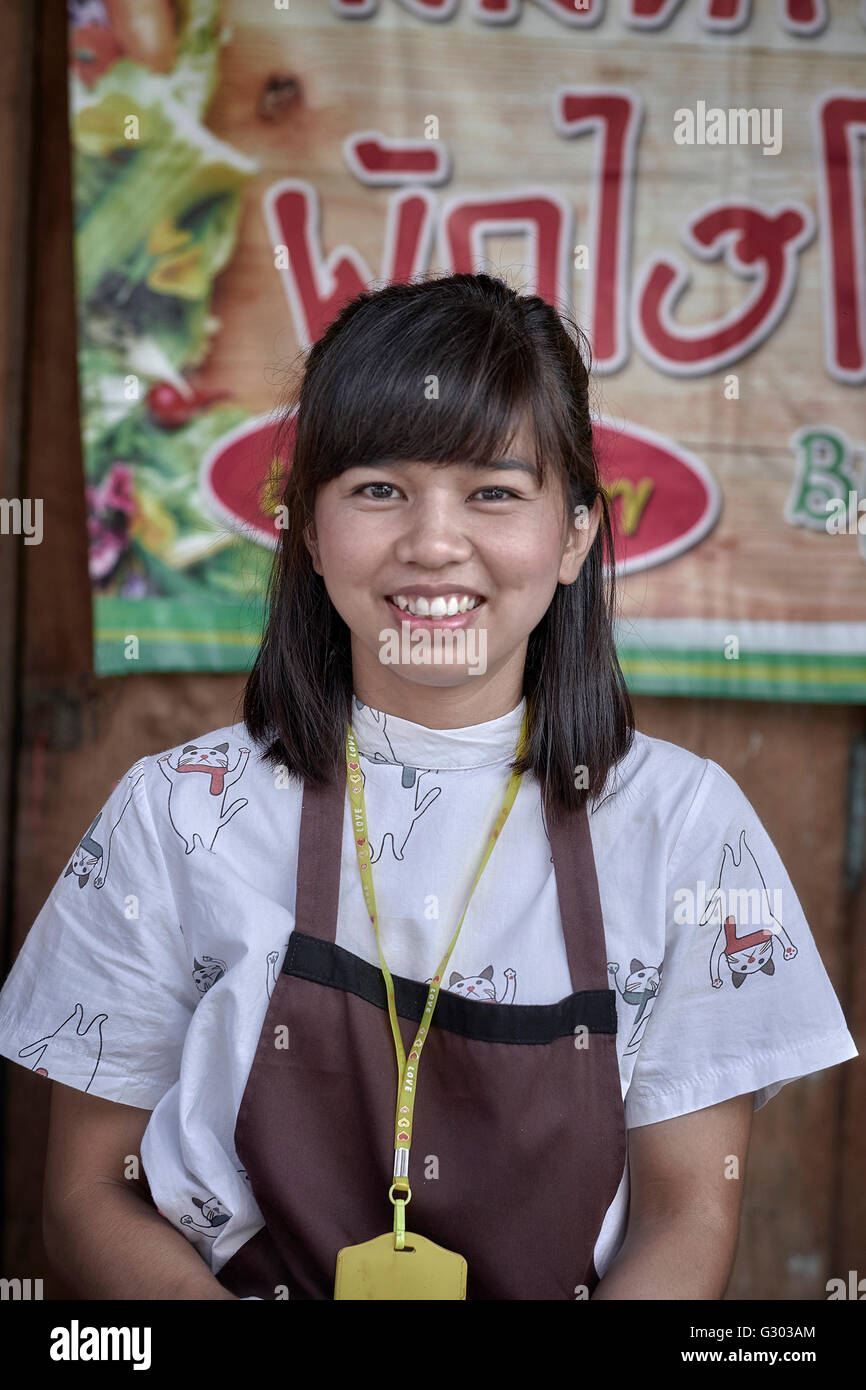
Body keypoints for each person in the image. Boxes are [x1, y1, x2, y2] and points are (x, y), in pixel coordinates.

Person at [0, 272, 857, 1301]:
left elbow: (688, 1211)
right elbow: (89, 1192)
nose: (434, 542)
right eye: (377, 488)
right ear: (308, 529)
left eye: (493, 492)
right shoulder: (176, 809)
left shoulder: (684, 829)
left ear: (574, 533)